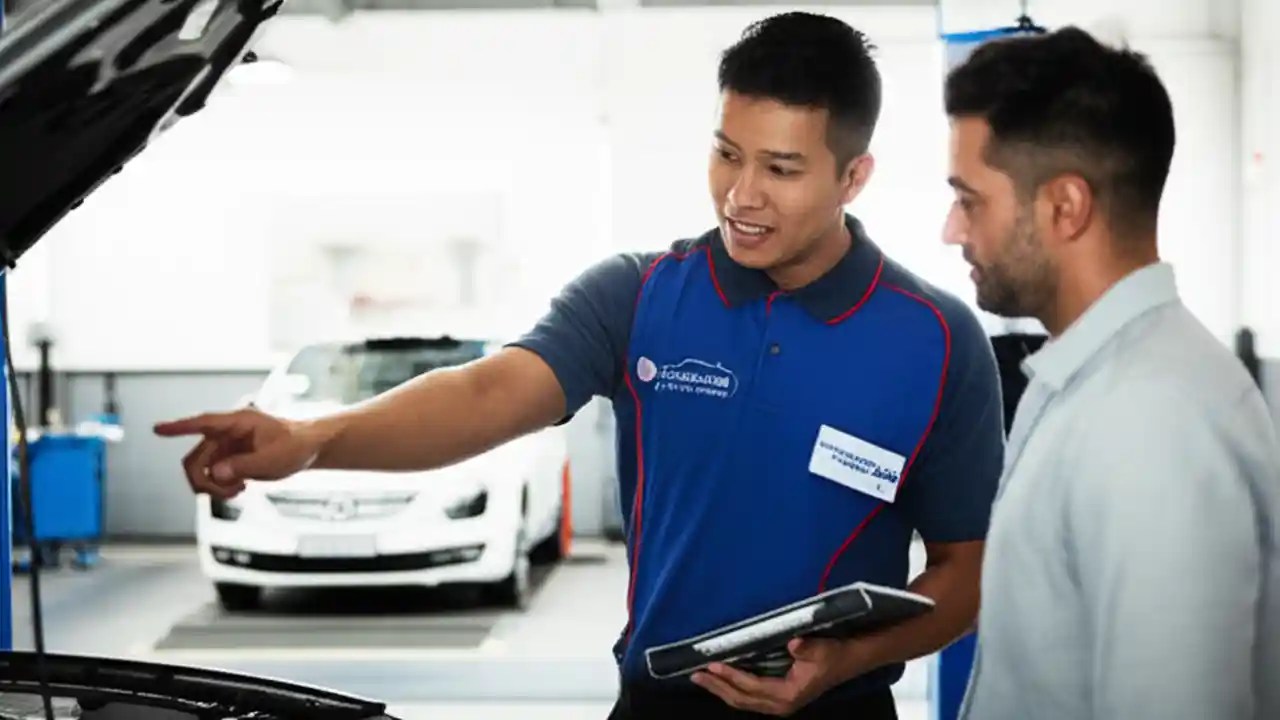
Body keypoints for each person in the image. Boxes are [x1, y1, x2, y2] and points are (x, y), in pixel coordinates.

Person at [156, 12, 1005, 719]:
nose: (741, 195)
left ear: (854, 176)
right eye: (727, 153)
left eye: (781, 169)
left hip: (841, 710)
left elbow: (965, 573)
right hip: (657, 705)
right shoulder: (637, 296)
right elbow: (486, 393)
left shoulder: (935, 339)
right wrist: (311, 440)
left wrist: (847, 659)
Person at [942, 27, 1280, 720]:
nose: (952, 229)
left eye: (970, 200)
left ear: (1065, 207)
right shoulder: (1099, 380)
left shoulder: (1153, 421)